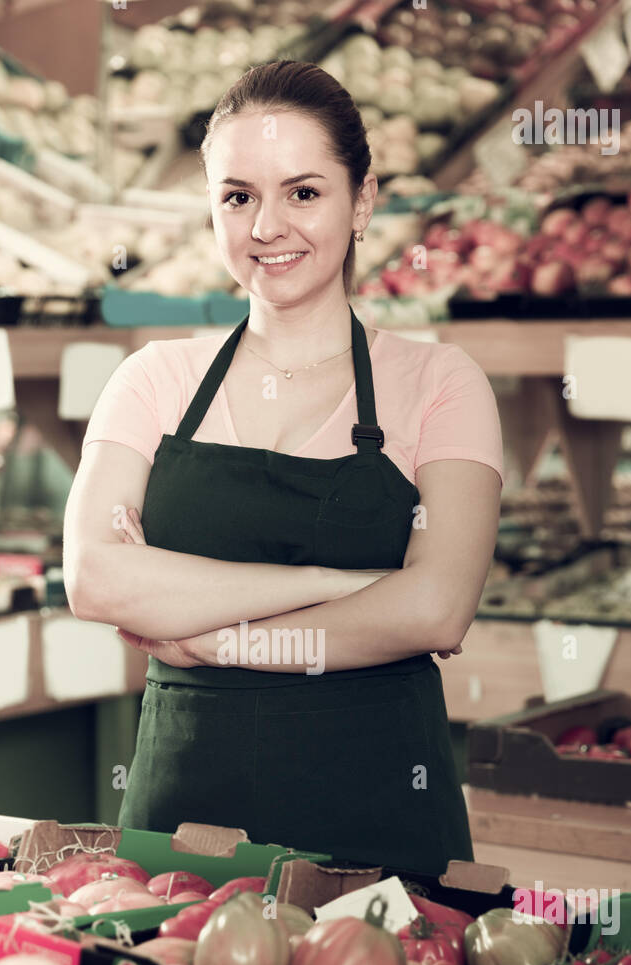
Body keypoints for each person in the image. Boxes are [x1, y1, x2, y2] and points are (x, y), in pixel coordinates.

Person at [64, 60, 503, 874]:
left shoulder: (439, 384)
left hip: (376, 824)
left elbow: (438, 610)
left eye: (302, 192)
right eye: (238, 196)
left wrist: (215, 637)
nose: (268, 226)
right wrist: (349, 586)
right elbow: (94, 579)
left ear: (362, 200)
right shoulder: (152, 380)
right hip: (182, 827)